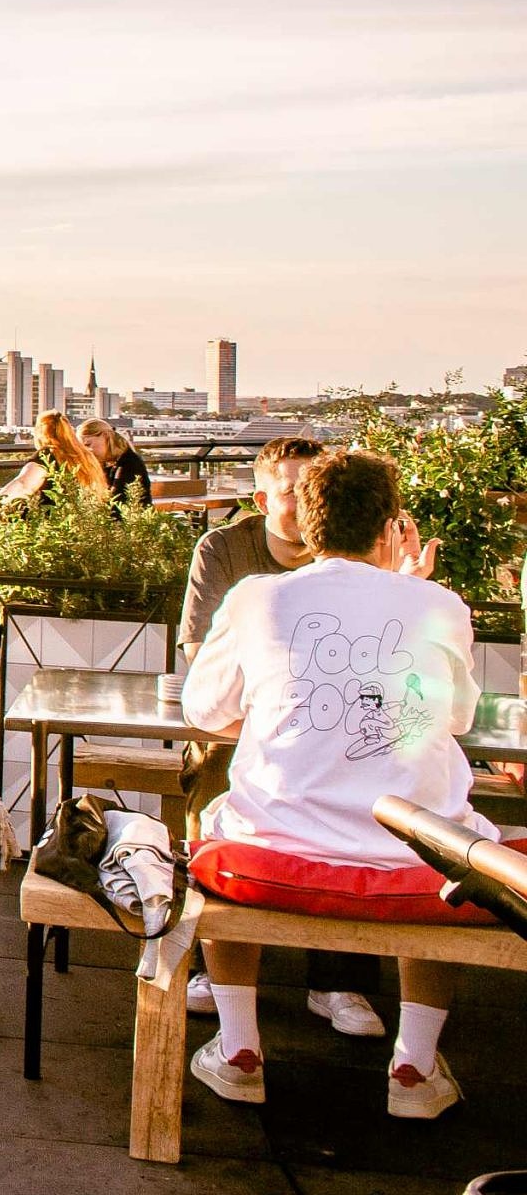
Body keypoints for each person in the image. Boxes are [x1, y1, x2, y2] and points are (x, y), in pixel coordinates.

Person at [181, 448, 486, 1120]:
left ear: (310, 527)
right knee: (454, 839)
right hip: (411, 864)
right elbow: (457, 715)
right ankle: (414, 1064)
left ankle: (238, 1049)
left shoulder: (258, 596)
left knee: (224, 821)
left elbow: (202, 710)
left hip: (274, 855)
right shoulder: (440, 605)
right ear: (389, 528)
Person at [178, 437, 386, 1036]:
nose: (308, 506)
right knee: (219, 765)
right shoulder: (225, 551)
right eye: (295, 493)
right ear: (261, 497)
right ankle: (215, 963)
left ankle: (338, 977)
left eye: (316, 493)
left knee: (361, 765)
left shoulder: (357, 562)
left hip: (325, 733)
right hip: (241, 732)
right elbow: (203, 669)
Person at [0, 411, 109, 508]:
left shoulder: (48, 455)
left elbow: (23, 484)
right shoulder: (86, 456)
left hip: (55, 524)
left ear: (40, 433)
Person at [78, 418, 153, 508]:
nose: (87, 451)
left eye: (88, 445)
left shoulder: (128, 463)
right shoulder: (110, 463)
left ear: (105, 436)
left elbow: (116, 504)